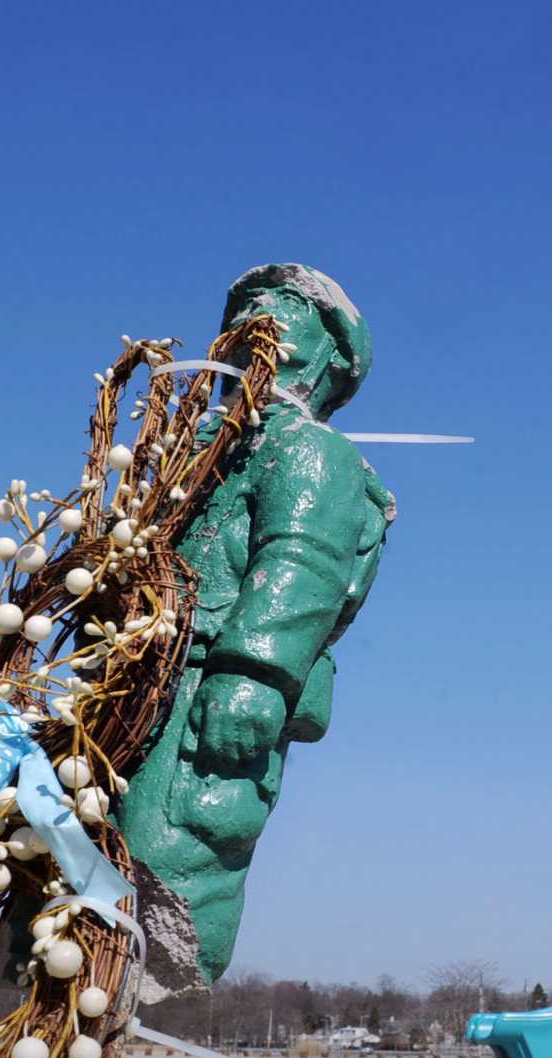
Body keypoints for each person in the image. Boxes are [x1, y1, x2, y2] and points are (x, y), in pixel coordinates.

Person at [119, 264, 395, 998]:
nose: (258, 317)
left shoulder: (308, 451)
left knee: (177, 834)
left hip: (209, 683)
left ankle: (143, 967)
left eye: (286, 308)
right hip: (137, 678)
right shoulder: (202, 456)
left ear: (333, 358)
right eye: (242, 309)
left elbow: (301, 558)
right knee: (88, 844)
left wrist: (254, 672)